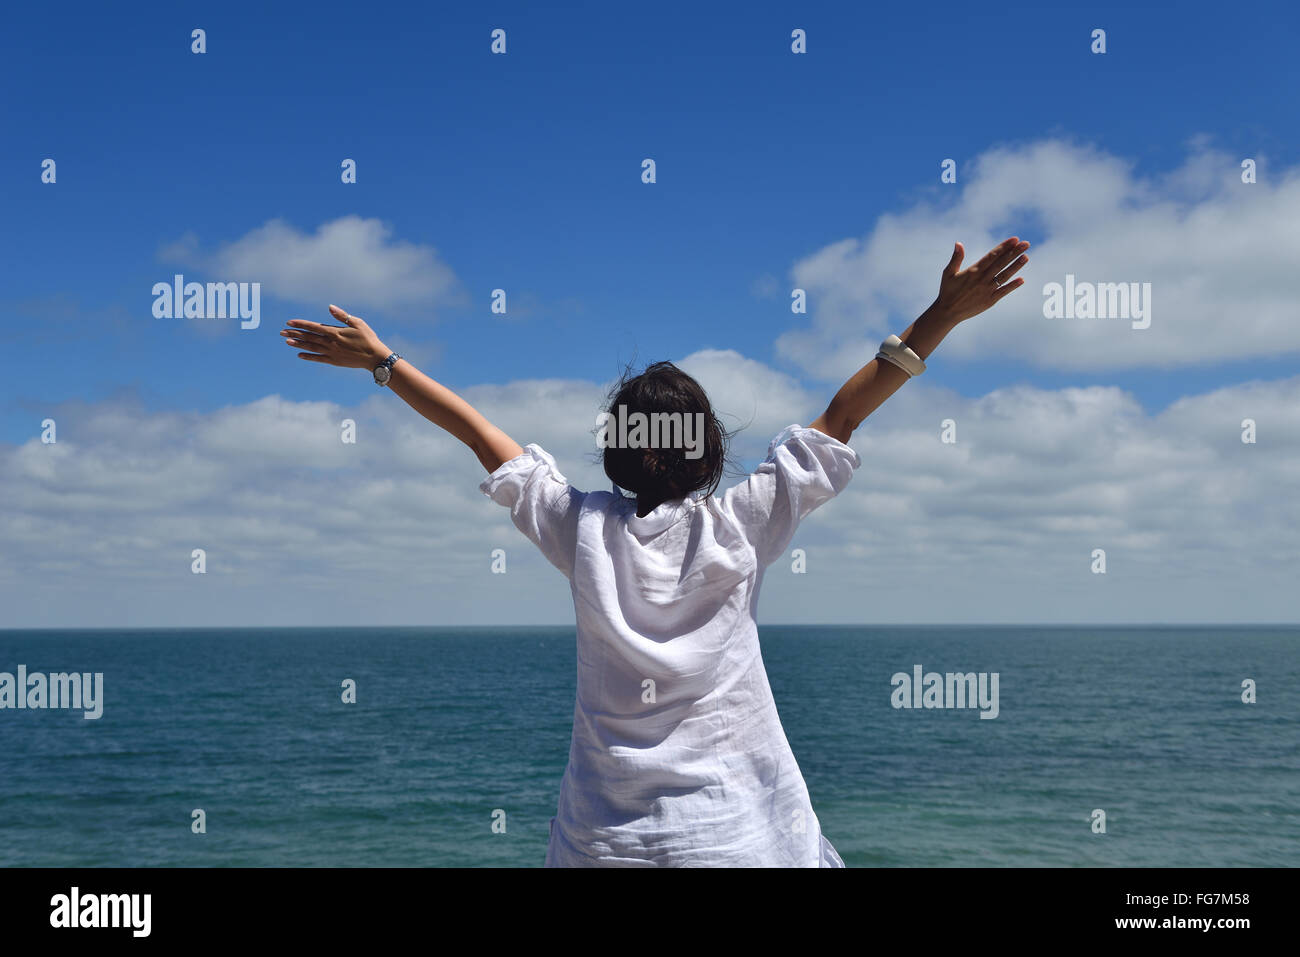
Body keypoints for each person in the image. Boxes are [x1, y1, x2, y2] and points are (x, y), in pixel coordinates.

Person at [280, 236, 1029, 866]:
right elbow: (844, 412)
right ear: (706, 453)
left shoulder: (580, 529)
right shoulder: (741, 523)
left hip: (604, 846)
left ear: (616, 453)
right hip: (739, 841)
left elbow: (481, 435)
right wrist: (941, 315)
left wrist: (383, 364)